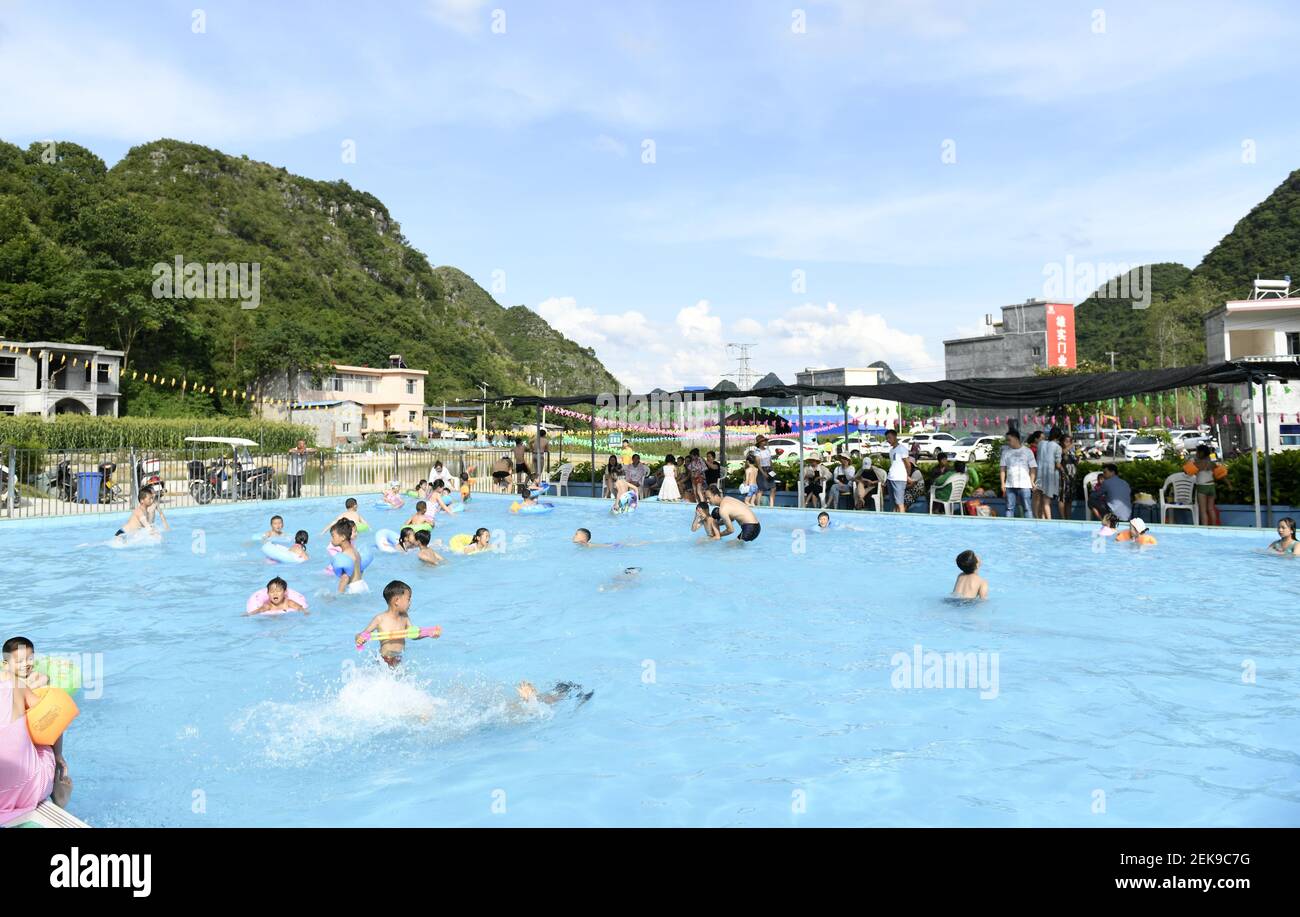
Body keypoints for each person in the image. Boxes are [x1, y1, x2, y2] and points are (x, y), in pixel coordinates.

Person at [1, 636, 72, 820]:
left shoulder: (27, 679)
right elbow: (55, 717)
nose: (26, 664)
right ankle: (58, 791)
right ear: (5, 663)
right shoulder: (19, 685)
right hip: (25, 789)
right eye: (20, 661)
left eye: (29, 659)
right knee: (45, 729)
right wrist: (58, 755)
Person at [355, 581, 440, 669]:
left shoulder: (404, 618)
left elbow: (413, 635)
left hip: (398, 658)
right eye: (408, 599)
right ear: (396, 601)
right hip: (384, 659)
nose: (410, 602)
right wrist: (359, 638)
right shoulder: (380, 619)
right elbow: (363, 634)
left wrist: (429, 633)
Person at [999, 430, 1036, 519]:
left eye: (1009, 440)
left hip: (1025, 485)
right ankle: (1009, 529)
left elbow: (1033, 468)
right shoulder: (1005, 452)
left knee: (1027, 508)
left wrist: (1032, 481)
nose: (1007, 442)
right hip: (1010, 485)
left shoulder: (1027, 451)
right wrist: (1002, 483)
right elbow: (1002, 469)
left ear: (1016, 438)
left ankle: (1029, 529)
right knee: (1009, 508)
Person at [1033, 429, 1062, 519]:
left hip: (1039, 474)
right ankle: (1049, 521)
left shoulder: (1041, 443)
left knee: (1038, 498)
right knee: (1046, 501)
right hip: (1049, 476)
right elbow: (1057, 465)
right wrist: (1062, 469)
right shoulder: (1057, 447)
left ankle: (1039, 517)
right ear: (1058, 437)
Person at [330, 520, 365, 594]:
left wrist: (337, 596)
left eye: (333, 536)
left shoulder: (345, 555)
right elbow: (361, 570)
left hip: (353, 590)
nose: (331, 539)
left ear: (343, 537)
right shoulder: (355, 551)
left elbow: (345, 578)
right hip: (362, 586)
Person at [1191, 444, 1222, 526]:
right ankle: (1215, 526)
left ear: (1201, 453)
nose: (1196, 454)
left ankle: (1205, 528)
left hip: (1202, 487)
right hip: (1211, 486)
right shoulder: (1212, 464)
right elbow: (1220, 474)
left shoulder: (1197, 464)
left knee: (1203, 510)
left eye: (1197, 452)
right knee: (1211, 509)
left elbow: (1187, 473)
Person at [885, 429, 912, 513]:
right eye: (887, 438)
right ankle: (894, 521)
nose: (888, 440)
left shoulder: (902, 449)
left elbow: (908, 464)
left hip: (899, 479)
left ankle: (902, 521)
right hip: (890, 478)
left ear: (895, 437)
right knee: (893, 504)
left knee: (900, 503)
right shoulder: (891, 450)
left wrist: (907, 476)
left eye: (889, 438)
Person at [750, 436, 778, 508]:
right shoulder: (757, 451)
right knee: (761, 488)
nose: (764, 442)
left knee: (773, 488)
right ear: (759, 443)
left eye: (765, 441)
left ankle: (772, 505)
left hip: (769, 469)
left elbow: (770, 461)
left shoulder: (767, 450)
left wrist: (773, 470)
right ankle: (758, 505)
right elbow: (758, 464)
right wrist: (763, 473)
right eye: (762, 441)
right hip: (762, 469)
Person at [1058, 433, 1079, 520]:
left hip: (1072, 477)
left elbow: (1076, 463)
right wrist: (1072, 445)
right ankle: (1063, 518)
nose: (1069, 443)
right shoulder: (1059, 450)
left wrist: (1078, 457)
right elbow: (1063, 453)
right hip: (1063, 477)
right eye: (1066, 441)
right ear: (1062, 442)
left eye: (1070, 441)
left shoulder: (1072, 451)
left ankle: (1068, 518)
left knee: (1069, 499)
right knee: (1062, 498)